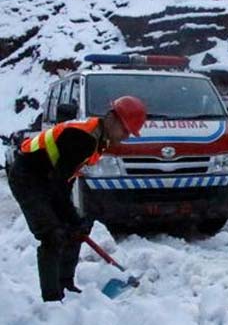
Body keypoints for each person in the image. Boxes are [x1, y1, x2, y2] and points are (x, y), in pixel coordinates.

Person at [8, 96, 146, 302]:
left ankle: (66, 284)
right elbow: (58, 183)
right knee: (52, 234)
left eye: (128, 133)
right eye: (124, 130)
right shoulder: (84, 138)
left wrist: (74, 220)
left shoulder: (98, 138)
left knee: (76, 230)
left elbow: (66, 178)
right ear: (111, 118)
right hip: (27, 177)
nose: (124, 136)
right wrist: (71, 216)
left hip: (46, 177)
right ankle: (52, 300)